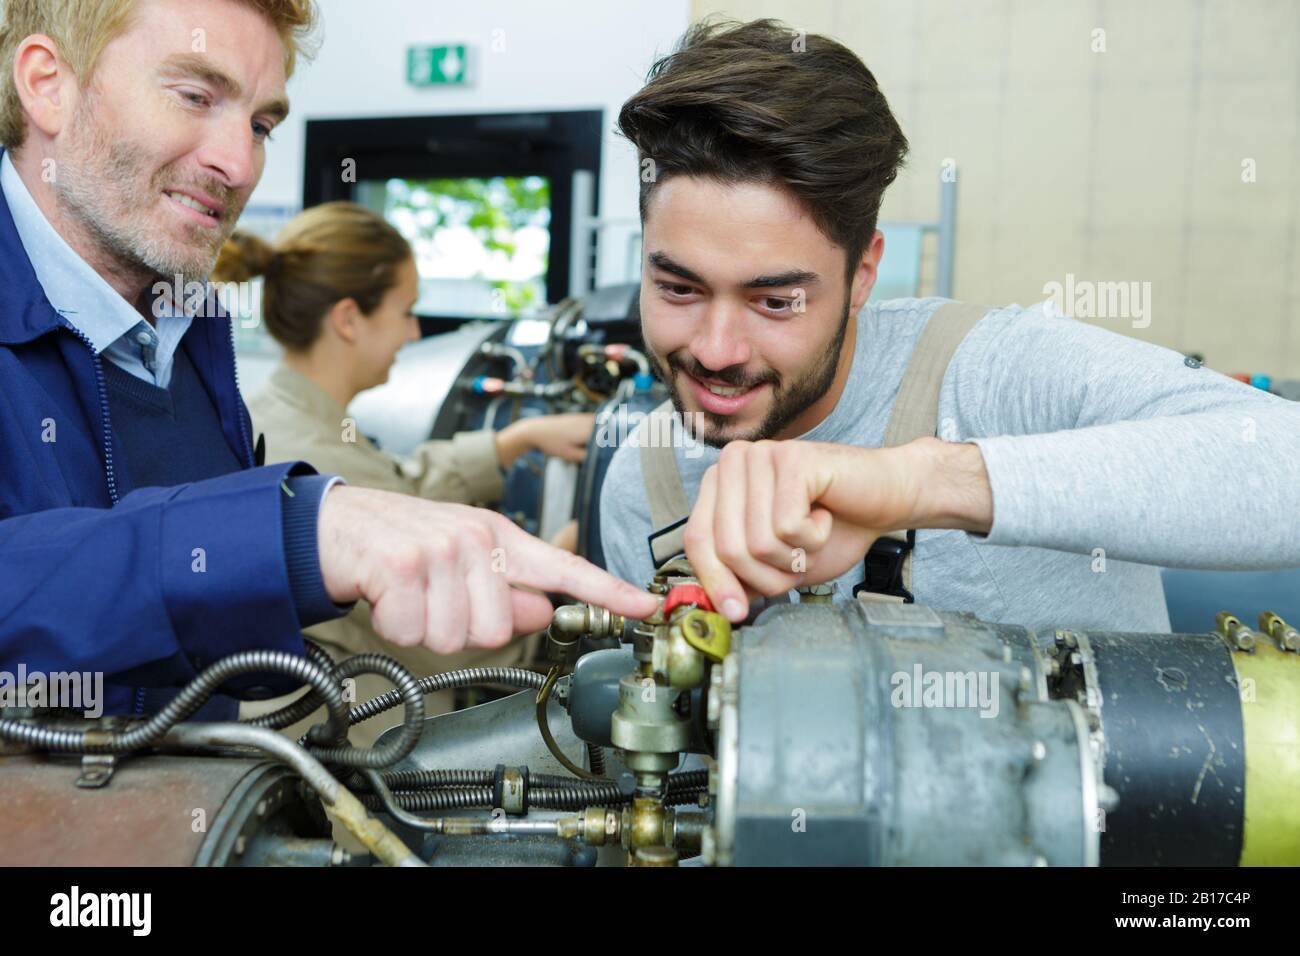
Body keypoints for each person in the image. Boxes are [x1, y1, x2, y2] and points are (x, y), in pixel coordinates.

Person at [0, 0, 657, 722]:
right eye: (195, 96)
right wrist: (295, 533)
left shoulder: (188, 334)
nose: (239, 162)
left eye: (260, 125)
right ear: (46, 84)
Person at [598, 19, 1300, 631]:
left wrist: (924, 481)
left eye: (776, 301)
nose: (717, 350)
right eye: (678, 287)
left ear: (863, 274)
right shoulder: (649, 484)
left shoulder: (991, 375)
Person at [211, 203, 595, 739]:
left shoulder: (280, 413)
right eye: (406, 311)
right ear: (348, 319)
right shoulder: (313, 454)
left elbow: (400, 488)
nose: (413, 333)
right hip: (360, 765)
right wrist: (565, 558)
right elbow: (456, 639)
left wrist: (512, 443)